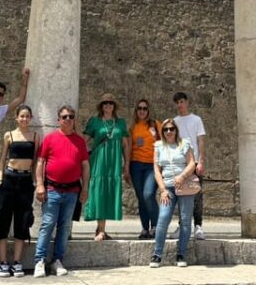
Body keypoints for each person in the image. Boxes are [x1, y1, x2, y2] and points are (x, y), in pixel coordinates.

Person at [33, 105, 90, 278]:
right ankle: (40, 260)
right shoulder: (50, 139)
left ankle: (57, 260)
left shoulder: (80, 141)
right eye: (64, 117)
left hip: (72, 191)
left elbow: (85, 166)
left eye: (71, 116)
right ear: (58, 120)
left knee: (64, 227)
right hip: (52, 189)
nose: (68, 119)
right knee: (47, 225)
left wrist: (85, 188)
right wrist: (40, 185)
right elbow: (40, 162)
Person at [0, 104, 41, 278]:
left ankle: (17, 262)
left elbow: (35, 162)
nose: (24, 119)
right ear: (16, 118)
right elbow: (2, 159)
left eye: (27, 116)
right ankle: (3, 263)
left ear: (30, 118)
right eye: (22, 116)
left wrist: (35, 181)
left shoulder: (35, 137)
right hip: (9, 179)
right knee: (2, 218)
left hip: (26, 181)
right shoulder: (9, 135)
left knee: (23, 219)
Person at [149, 118, 197, 268]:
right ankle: (157, 254)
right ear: (162, 132)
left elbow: (191, 163)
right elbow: (157, 170)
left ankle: (181, 254)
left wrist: (182, 176)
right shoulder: (158, 146)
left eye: (171, 129)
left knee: (185, 220)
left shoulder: (184, 144)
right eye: (165, 129)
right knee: (163, 219)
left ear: (176, 130)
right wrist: (162, 189)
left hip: (185, 186)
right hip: (168, 188)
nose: (169, 131)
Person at [83, 92, 130, 241]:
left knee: (109, 191)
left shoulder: (120, 123)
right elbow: (84, 140)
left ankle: (101, 229)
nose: (108, 105)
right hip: (99, 160)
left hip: (114, 162)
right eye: (105, 103)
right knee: (99, 191)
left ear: (114, 106)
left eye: (110, 103)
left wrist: (126, 163)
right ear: (101, 106)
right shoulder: (95, 122)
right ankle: (101, 230)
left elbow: (125, 145)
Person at [172, 91, 206, 240]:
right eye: (177, 103)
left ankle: (198, 226)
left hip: (195, 162)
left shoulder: (196, 120)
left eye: (181, 102)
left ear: (187, 102)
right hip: (180, 163)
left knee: (196, 194)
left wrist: (201, 160)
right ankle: (182, 225)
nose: (180, 105)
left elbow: (201, 141)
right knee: (181, 194)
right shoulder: (174, 121)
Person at [128, 99, 161, 239]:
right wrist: (126, 168)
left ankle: (156, 225)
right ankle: (144, 228)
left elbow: (165, 141)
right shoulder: (132, 127)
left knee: (148, 194)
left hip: (151, 165)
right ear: (136, 111)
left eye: (145, 108)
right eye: (139, 108)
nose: (142, 111)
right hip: (135, 165)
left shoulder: (156, 125)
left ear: (148, 110)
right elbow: (128, 148)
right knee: (141, 197)